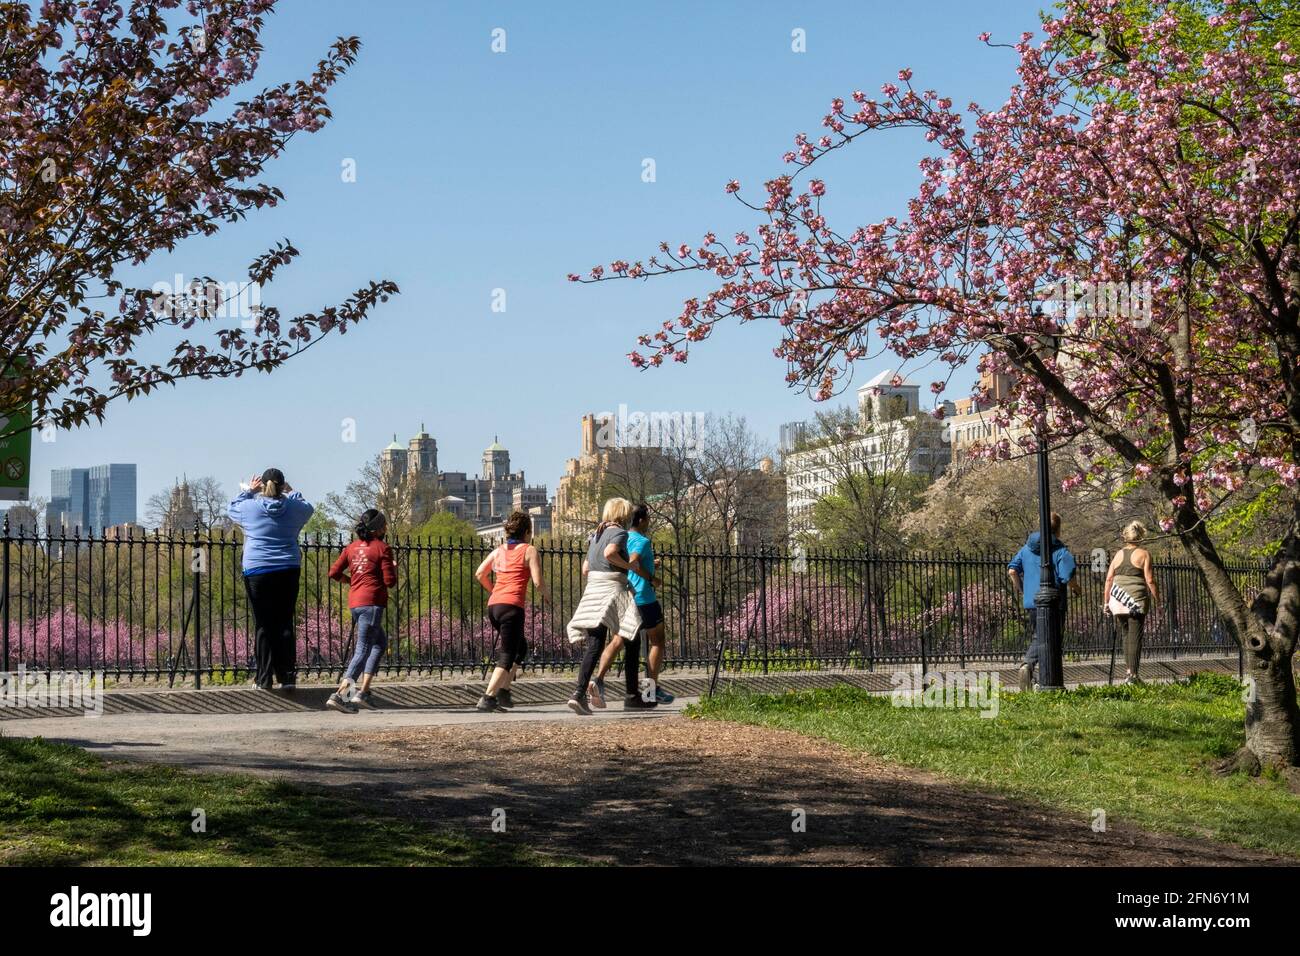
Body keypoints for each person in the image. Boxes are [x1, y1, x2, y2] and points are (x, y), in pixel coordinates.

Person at [229, 468, 314, 691]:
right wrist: (292, 492)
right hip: (287, 567)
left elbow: (232, 508)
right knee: (284, 621)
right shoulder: (294, 507)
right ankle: (287, 677)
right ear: (283, 485)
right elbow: (308, 508)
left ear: (262, 485)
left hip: (258, 569)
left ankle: (263, 678)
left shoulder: (249, 508)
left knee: (264, 624)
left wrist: (249, 490)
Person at [564, 497, 648, 715]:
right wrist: (628, 565)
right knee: (632, 635)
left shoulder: (595, 535)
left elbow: (585, 569)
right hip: (613, 590)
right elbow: (609, 554)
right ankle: (632, 695)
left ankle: (578, 694)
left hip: (593, 590)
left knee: (595, 643)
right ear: (622, 513)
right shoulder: (620, 533)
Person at [589, 503, 674, 706]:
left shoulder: (624, 537)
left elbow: (629, 561)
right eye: (648, 518)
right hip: (644, 598)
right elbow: (634, 562)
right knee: (658, 641)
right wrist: (652, 579)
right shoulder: (642, 541)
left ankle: (598, 679)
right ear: (642, 520)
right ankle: (651, 690)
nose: (649, 522)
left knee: (618, 640)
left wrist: (649, 565)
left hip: (627, 596)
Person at [474, 510, 549, 713]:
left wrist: (495, 591)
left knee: (520, 647)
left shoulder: (498, 551)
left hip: (494, 607)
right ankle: (489, 697)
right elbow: (537, 581)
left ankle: (504, 691)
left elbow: (480, 573)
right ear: (527, 531)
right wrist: (547, 595)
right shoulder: (529, 550)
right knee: (507, 654)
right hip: (512, 607)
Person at [325, 509, 398, 713]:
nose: (386, 528)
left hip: (356, 603)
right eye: (384, 525)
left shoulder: (352, 548)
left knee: (379, 643)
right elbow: (390, 582)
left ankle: (363, 693)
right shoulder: (382, 548)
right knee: (363, 649)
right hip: (372, 604)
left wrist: (352, 581)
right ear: (377, 529)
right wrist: (394, 566)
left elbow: (333, 573)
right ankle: (340, 695)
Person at [1007, 512, 1079, 691]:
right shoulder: (1060, 550)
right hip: (1054, 602)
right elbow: (1067, 575)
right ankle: (1029, 665)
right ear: (1058, 529)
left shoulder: (1026, 548)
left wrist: (1023, 589)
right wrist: (1077, 589)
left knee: (1039, 636)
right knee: (1050, 639)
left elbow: (1012, 571)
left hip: (1032, 602)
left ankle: (1039, 679)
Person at [1103, 520, 1159, 685]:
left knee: (1126, 635)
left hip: (1118, 600)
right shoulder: (1144, 554)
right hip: (1135, 600)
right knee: (1135, 637)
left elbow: (1108, 579)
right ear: (1140, 537)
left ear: (1125, 537)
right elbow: (1149, 579)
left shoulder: (1118, 554)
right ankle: (1133, 676)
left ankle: (1129, 672)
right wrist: (1158, 600)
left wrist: (1106, 602)